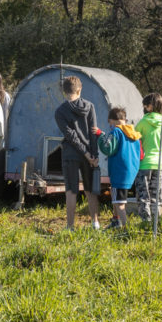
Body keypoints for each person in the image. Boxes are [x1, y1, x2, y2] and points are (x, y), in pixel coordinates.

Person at [54, 75, 101, 230]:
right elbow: (94, 133)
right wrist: (93, 156)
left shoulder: (60, 111)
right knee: (90, 189)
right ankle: (95, 223)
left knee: (71, 190)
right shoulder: (90, 106)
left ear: (64, 91)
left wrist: (86, 154)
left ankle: (70, 226)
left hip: (70, 154)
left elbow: (71, 136)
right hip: (89, 154)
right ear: (79, 90)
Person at [101, 106, 142, 229]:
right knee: (116, 198)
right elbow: (141, 154)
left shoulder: (116, 132)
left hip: (119, 172)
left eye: (109, 123)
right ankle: (115, 221)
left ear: (111, 120)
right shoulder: (134, 134)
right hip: (130, 172)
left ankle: (126, 228)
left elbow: (107, 148)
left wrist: (100, 137)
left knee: (119, 203)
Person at [136, 93, 162, 223]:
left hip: (143, 165)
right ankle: (155, 223)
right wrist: (159, 156)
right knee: (156, 196)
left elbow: (135, 142)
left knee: (143, 196)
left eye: (145, 106)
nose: (144, 108)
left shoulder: (142, 123)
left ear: (150, 107)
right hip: (159, 164)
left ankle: (145, 223)